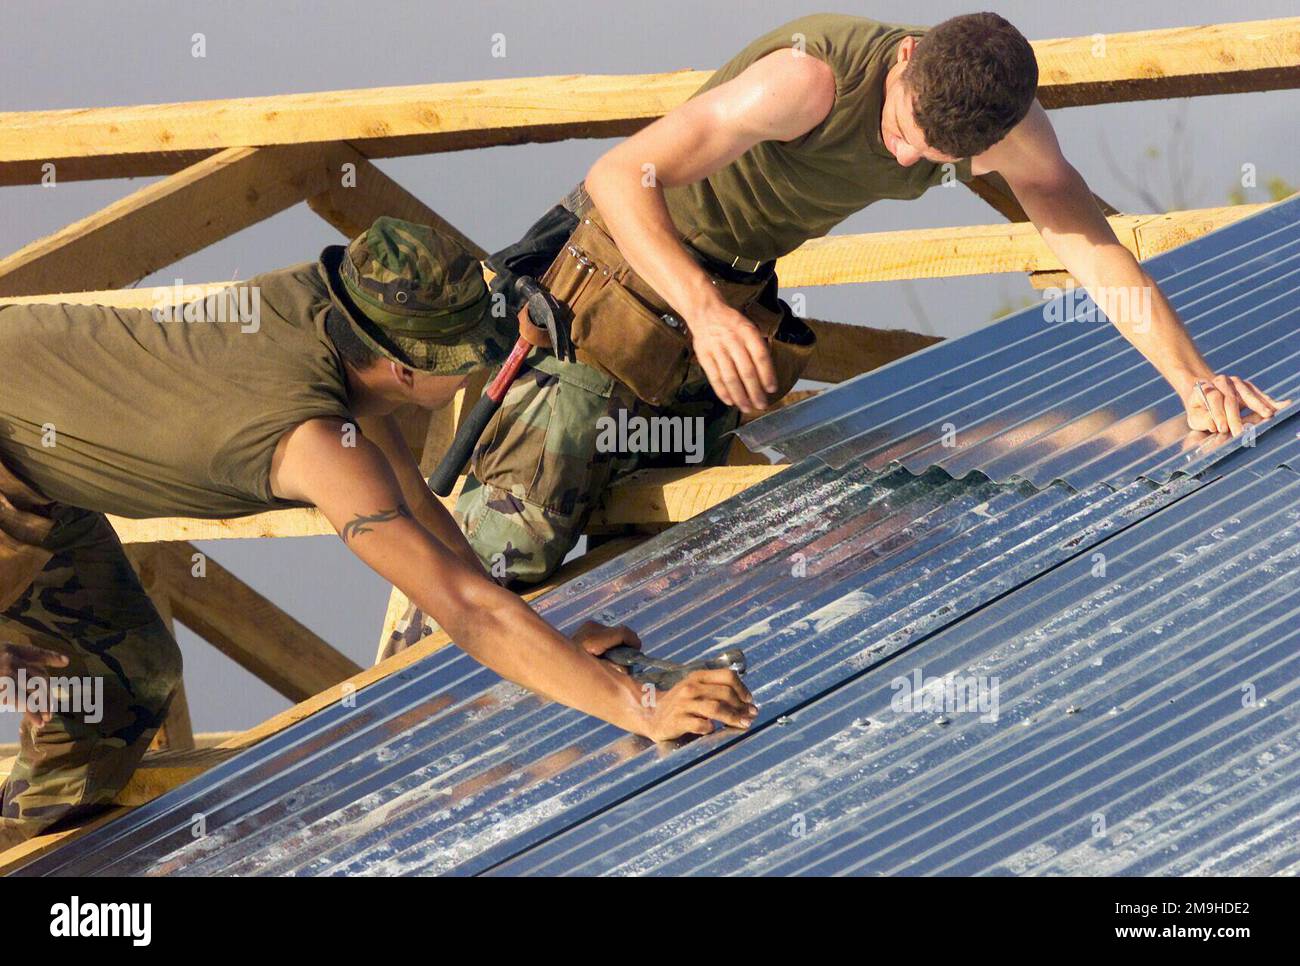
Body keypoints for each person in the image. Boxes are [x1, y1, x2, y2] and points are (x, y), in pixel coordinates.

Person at [454, 12, 1285, 587]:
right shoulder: (807, 81)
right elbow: (618, 176)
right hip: (618, 281)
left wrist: (1192, 379)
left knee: (658, 558)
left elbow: (1086, 243)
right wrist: (704, 309)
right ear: (904, 61)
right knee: (511, 542)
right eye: (899, 129)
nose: (900, 154)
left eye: (925, 155)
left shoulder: (1006, 124)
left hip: (727, 308)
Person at [0, 217, 755, 849]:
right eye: (467, 365)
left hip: (36, 456)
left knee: (124, 680)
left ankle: (23, 841)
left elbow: (431, 528)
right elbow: (461, 609)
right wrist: (636, 707)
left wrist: (550, 640)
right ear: (401, 368)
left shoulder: (332, 312)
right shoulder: (313, 443)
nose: (476, 379)